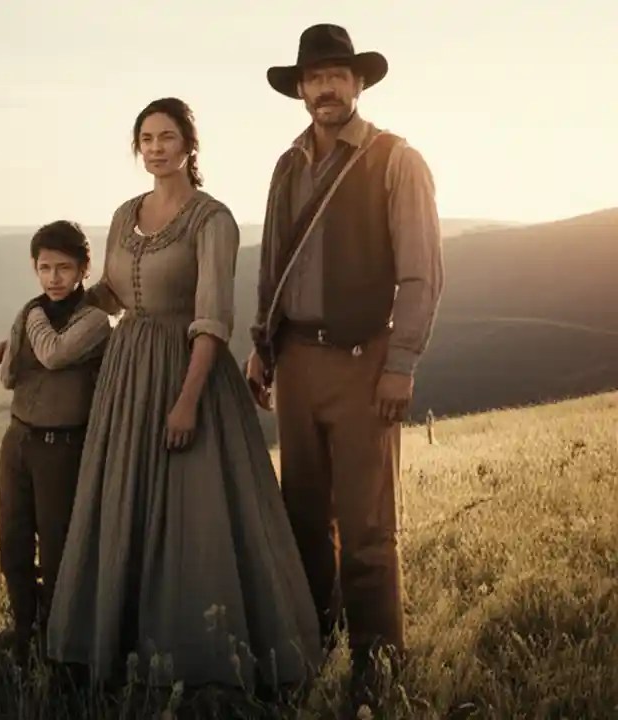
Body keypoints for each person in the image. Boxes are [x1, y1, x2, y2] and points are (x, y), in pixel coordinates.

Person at [42, 97, 323, 698]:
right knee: (123, 502)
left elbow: (213, 320)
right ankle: (115, 647)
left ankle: (204, 658)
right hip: (127, 377)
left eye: (167, 137)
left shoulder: (212, 219)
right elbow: (111, 295)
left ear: (190, 145)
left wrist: (188, 401)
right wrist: (32, 327)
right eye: (146, 138)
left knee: (195, 514)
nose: (156, 148)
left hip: (187, 370)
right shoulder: (123, 215)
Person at [244, 23, 444, 712]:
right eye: (314, 77)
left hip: (366, 363)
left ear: (358, 84)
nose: (326, 87)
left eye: (338, 74)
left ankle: (377, 665)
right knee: (302, 517)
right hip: (295, 359)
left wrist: (402, 362)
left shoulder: (396, 160)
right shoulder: (286, 165)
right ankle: (313, 646)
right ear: (299, 89)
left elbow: (421, 274)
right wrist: (263, 345)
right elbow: (273, 261)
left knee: (366, 527)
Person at [0, 220, 112, 669]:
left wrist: (29, 321)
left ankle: (61, 647)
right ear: (35, 268)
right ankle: (25, 633)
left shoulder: (94, 321)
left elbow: (55, 354)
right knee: (14, 543)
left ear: (83, 270)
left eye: (64, 268)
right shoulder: (31, 312)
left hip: (62, 447)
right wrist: (7, 348)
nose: (54, 278)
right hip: (18, 438)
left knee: (58, 549)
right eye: (45, 268)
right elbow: (7, 378)